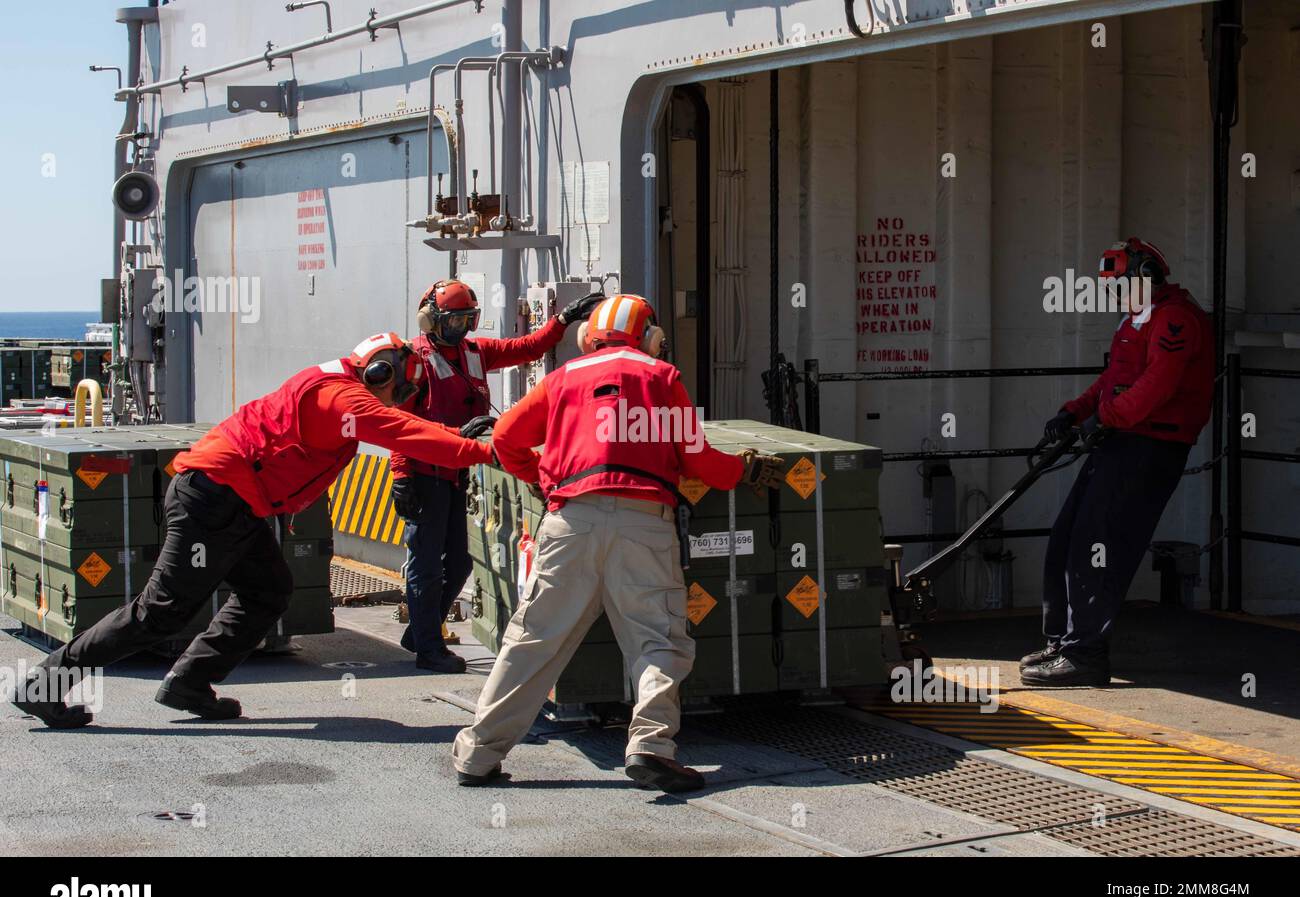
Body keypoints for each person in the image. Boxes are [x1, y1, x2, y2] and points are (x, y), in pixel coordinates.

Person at [13, 333, 495, 728]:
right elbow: (398, 430)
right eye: (402, 391)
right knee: (159, 612)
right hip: (213, 496)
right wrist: (478, 449)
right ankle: (43, 686)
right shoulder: (341, 397)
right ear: (379, 372)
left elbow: (392, 423)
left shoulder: (336, 384)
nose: (404, 401)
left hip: (235, 501)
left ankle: (191, 682)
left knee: (268, 592)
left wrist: (456, 436)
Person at [451, 293, 785, 792]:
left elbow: (505, 440)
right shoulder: (661, 377)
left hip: (570, 523)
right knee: (657, 639)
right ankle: (651, 747)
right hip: (643, 525)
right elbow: (697, 459)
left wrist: (543, 481)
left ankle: (478, 754)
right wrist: (746, 469)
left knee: (534, 639)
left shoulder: (562, 378)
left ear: (589, 336)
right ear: (650, 336)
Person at [1022, 238, 1214, 686]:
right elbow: (1115, 379)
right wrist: (1075, 411)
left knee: (1097, 544)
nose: (1114, 294)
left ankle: (1085, 652)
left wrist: (1104, 417)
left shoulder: (1176, 320)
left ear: (1145, 277)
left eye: (1119, 284)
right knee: (1068, 536)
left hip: (1148, 447)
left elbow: (1156, 386)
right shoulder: (1138, 319)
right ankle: (1064, 642)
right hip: (1121, 439)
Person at [389, 279, 596, 673]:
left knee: (463, 563)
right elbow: (399, 423)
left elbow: (526, 348)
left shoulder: (473, 353)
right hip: (425, 475)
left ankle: (421, 630)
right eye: (453, 322)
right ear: (431, 321)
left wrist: (563, 320)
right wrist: (402, 475)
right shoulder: (415, 361)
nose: (462, 330)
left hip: (460, 474)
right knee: (427, 565)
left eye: (468, 320)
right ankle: (429, 648)